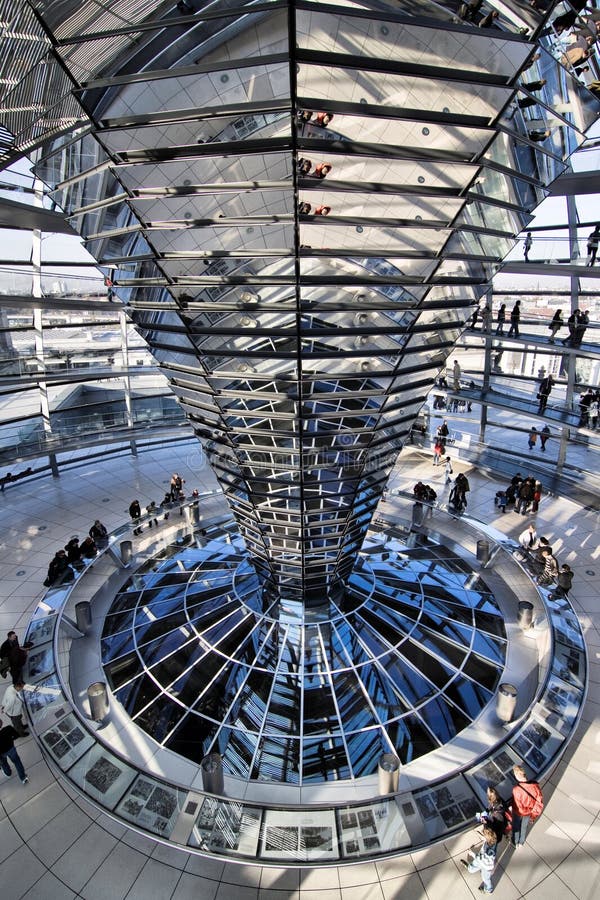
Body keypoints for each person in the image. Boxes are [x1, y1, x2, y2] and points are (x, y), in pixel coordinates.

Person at [511, 765, 544, 847]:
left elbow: (519, 807)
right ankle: (521, 842)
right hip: (529, 813)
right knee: (524, 827)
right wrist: (533, 815)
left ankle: (515, 841)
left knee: (516, 827)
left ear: (517, 776)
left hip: (518, 812)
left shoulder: (516, 790)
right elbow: (539, 803)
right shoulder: (535, 786)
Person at [461, 825, 497, 893]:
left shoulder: (489, 852)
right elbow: (487, 841)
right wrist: (481, 837)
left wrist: (472, 854)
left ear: (488, 837)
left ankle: (489, 889)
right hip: (484, 861)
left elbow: (481, 859)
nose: (483, 835)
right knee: (474, 866)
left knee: (486, 879)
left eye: (484, 834)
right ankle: (470, 868)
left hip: (486, 866)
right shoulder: (493, 841)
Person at [0, 719, 28, 784]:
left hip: (1, 754)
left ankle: (8, 773)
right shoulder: (8, 728)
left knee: (3, 763)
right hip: (11, 749)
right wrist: (11, 740)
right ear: (1, 723)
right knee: (17, 762)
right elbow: (17, 735)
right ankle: (23, 778)